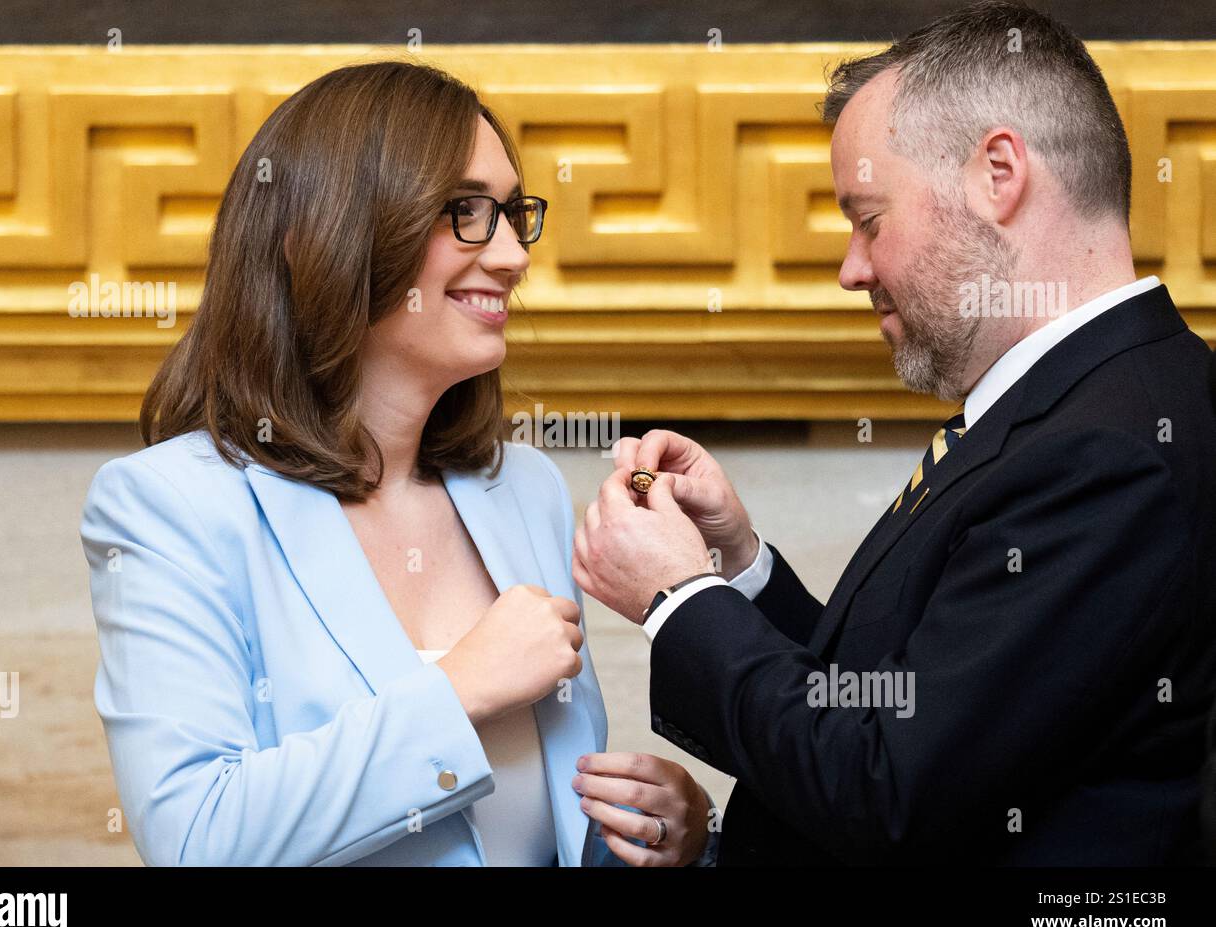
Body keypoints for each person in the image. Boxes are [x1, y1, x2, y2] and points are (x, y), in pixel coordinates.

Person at [572, 1, 1216, 865]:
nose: (851, 268)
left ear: (999, 173)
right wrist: (739, 565)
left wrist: (677, 599)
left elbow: (884, 787)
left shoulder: (1108, 452)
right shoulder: (1087, 398)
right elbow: (914, 695)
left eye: (869, 218)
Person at [80, 60, 714, 867]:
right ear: (329, 236)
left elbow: (525, 824)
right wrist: (459, 690)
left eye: (515, 215)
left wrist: (663, 827)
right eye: (467, 212)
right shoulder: (165, 505)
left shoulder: (525, 489)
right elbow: (198, 839)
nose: (515, 256)